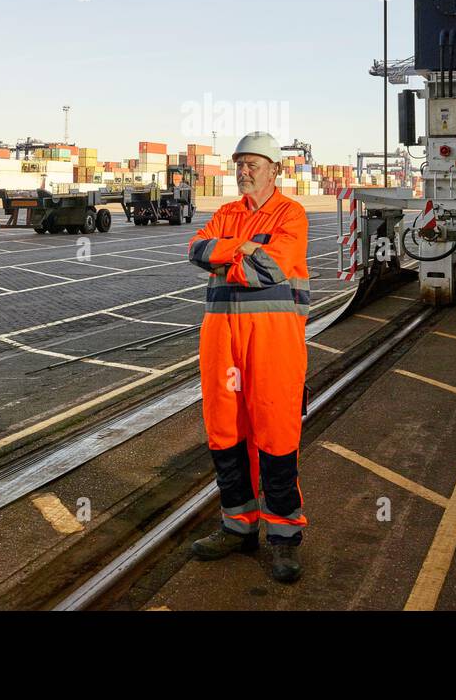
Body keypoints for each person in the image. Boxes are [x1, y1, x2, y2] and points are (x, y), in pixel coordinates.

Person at [186, 131, 310, 583]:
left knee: (276, 435)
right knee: (225, 433)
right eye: (239, 163)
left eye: (253, 163)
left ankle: (283, 539)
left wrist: (231, 254)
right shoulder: (224, 213)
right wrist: (244, 248)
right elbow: (196, 249)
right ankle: (238, 527)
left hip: (273, 342)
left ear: (275, 170)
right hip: (222, 342)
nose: (244, 170)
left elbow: (272, 269)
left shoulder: (291, 213)